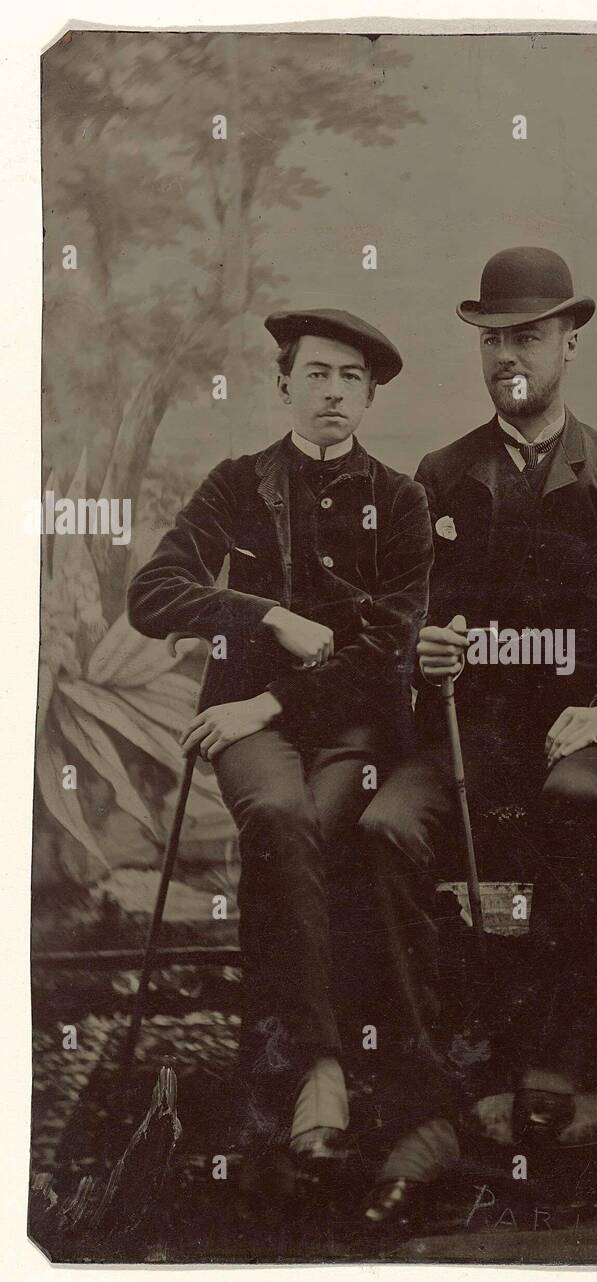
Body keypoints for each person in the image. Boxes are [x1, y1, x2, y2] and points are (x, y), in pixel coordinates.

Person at [359, 247, 597, 1219]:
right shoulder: (442, 475)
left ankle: (555, 1059)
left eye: (528, 334)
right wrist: (426, 654)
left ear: (570, 340)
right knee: (387, 825)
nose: (508, 355)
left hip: (582, 728)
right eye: (494, 339)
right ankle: (430, 1076)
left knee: (577, 799)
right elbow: (410, 615)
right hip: (474, 726)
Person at [127, 308, 433, 1192]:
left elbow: (389, 655)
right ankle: (324, 1066)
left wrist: (268, 700)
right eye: (317, 373)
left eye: (351, 378)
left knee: (323, 827)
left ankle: (291, 1060)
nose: (333, 391)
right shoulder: (238, 484)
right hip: (247, 728)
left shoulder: (403, 500)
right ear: (285, 383)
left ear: (371, 394)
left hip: (348, 727)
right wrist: (263, 615)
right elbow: (155, 593)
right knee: (276, 813)